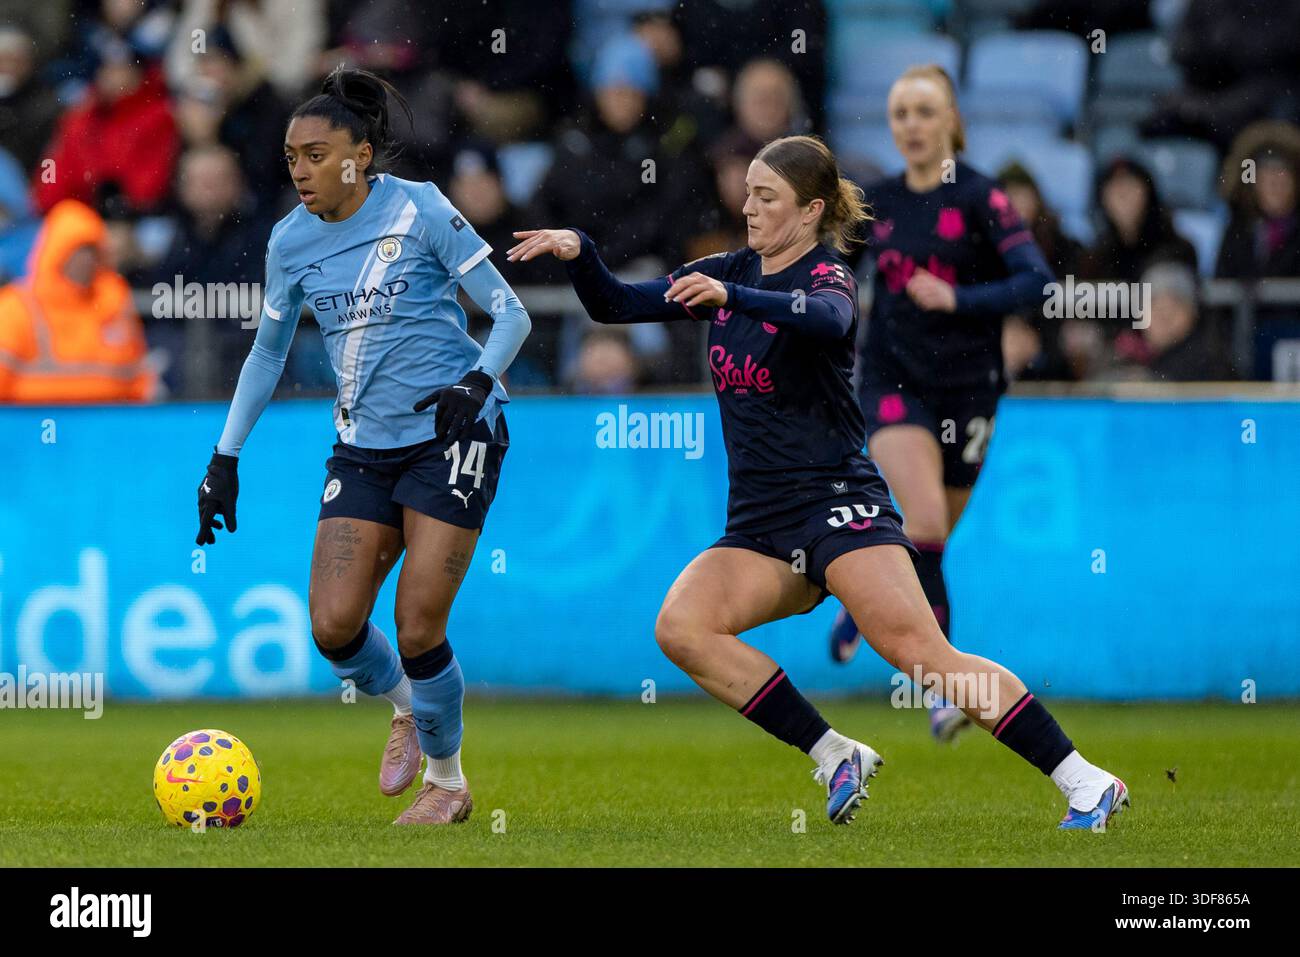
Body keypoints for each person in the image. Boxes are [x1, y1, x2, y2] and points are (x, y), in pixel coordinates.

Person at [509, 134, 1128, 831]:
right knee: (682, 627)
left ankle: (1086, 780)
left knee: (923, 652)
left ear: (808, 211)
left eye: (765, 196)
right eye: (746, 190)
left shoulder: (826, 277)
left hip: (839, 507)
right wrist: (579, 252)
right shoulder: (728, 268)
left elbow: (829, 318)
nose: (747, 205)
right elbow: (616, 305)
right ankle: (836, 752)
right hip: (760, 522)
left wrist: (733, 296)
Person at [195, 68, 532, 826]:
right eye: (290, 157)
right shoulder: (289, 240)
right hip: (363, 448)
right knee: (333, 626)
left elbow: (512, 317)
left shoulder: (421, 209)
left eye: (316, 154)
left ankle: (446, 782)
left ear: (363, 154)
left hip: (455, 431)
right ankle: (410, 708)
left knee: (418, 623)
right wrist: (225, 457)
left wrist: (476, 386)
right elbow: (266, 355)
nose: (301, 171)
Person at [827, 66, 1056, 747]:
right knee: (923, 521)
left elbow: (1037, 281)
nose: (911, 125)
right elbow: (833, 277)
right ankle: (947, 687)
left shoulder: (983, 197)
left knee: (927, 542)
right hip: (894, 380)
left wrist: (959, 299)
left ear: (951, 118)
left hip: (972, 388)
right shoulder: (878, 202)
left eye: (924, 111)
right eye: (899, 113)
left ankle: (861, 604)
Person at [0, 198, 153, 402]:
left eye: (92, 251)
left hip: (110, 424)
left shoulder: (114, 300)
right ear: (57, 252)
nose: (86, 260)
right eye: (78, 251)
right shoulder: (17, 306)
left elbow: (139, 375)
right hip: (35, 424)